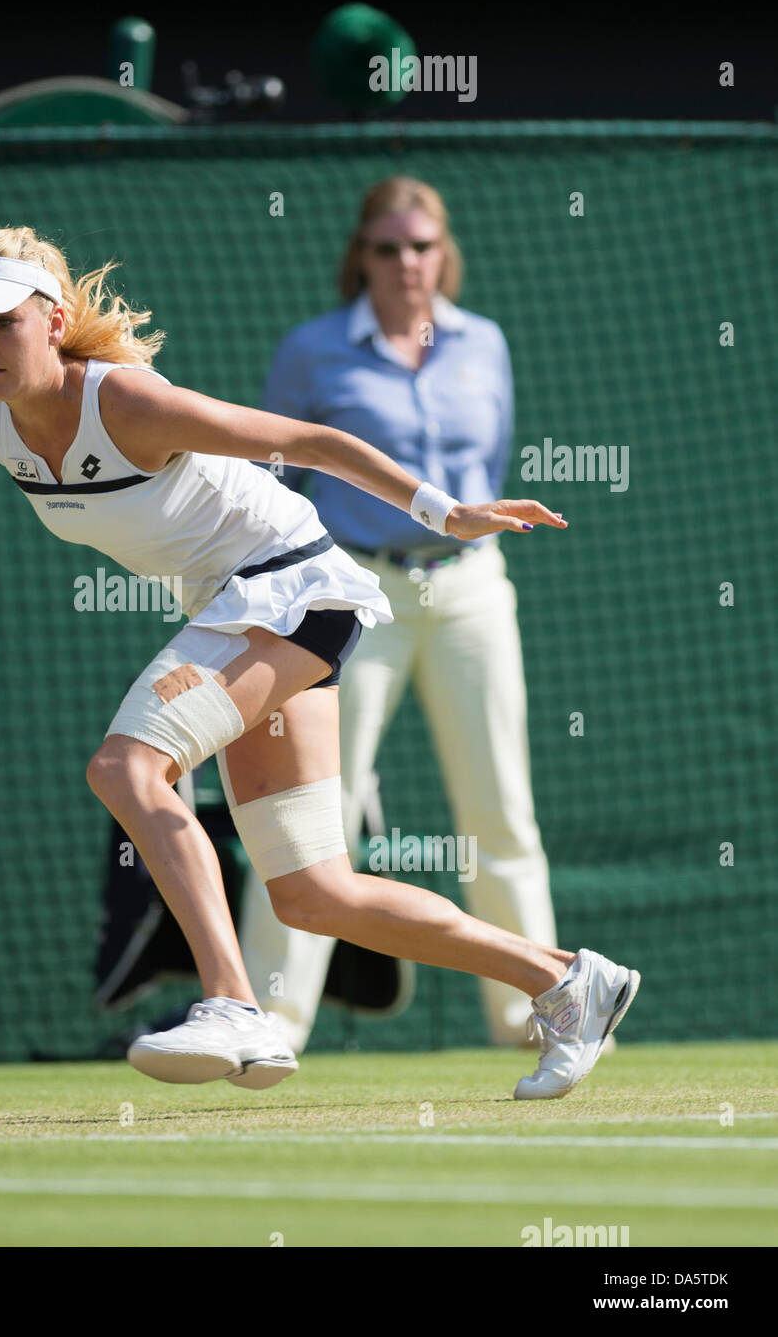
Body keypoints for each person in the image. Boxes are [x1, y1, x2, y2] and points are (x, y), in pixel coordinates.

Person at [0, 225, 638, 1100]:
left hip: (290, 588)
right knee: (311, 892)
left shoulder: (129, 402)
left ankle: (233, 1003)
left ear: (55, 318)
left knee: (127, 765)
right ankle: (563, 980)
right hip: (247, 608)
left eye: (3, 323)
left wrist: (443, 511)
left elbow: (308, 438)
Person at [241, 175, 565, 1055]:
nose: (406, 264)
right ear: (362, 256)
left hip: (470, 588)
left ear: (442, 253)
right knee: (314, 810)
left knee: (500, 809)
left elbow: (487, 464)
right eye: (388, 248)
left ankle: (540, 1010)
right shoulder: (312, 350)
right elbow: (274, 479)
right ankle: (269, 1021)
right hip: (355, 593)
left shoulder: (483, 343)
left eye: (421, 246)